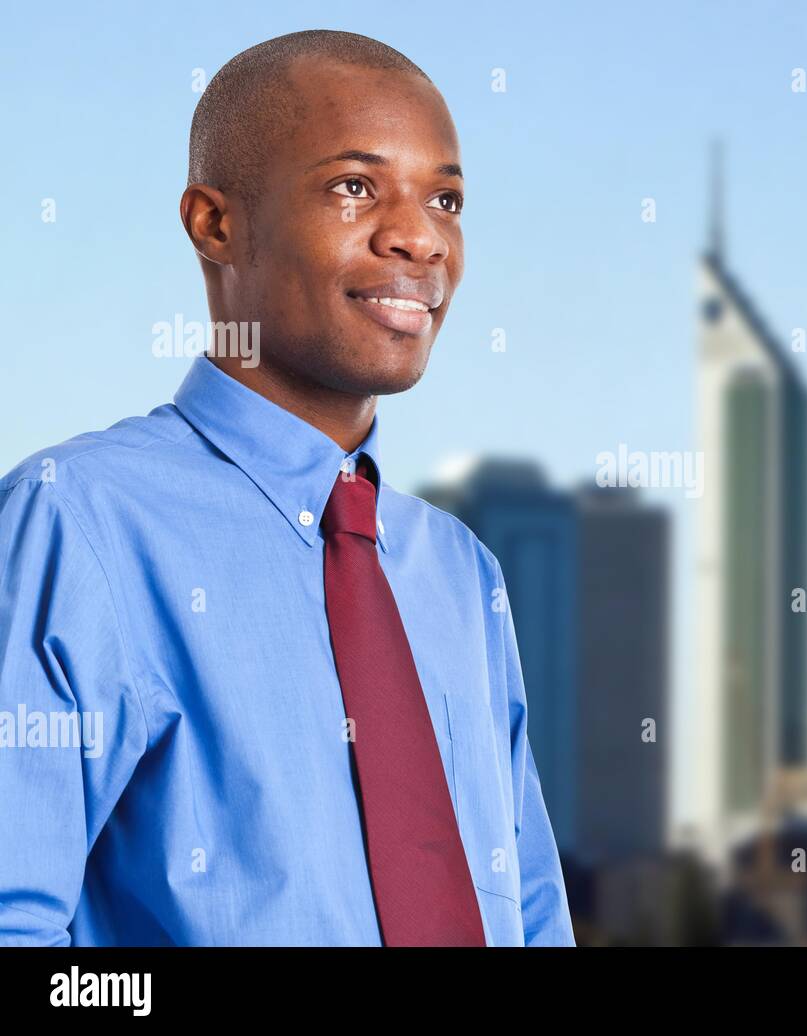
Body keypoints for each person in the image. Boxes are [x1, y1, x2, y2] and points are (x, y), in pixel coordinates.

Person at [0, 29, 574, 947]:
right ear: (214, 224)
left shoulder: (461, 574)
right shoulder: (77, 520)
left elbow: (535, 915)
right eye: (354, 186)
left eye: (447, 198)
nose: (420, 236)